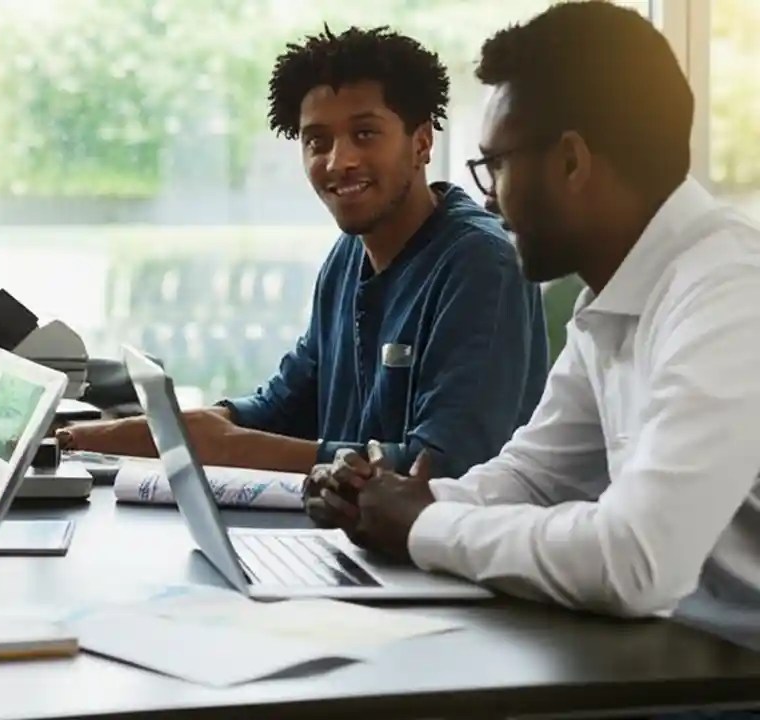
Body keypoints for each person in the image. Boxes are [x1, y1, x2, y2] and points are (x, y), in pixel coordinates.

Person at [304, 1, 760, 644]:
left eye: (497, 164)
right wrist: (383, 500)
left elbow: (636, 560)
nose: (489, 197)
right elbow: (534, 478)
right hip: (681, 654)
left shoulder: (730, 292)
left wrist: (422, 525)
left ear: (571, 162)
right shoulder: (614, 298)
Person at [60, 26, 548, 479]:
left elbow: (444, 465)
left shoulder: (481, 262)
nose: (338, 161)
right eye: (317, 141)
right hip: (346, 533)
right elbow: (282, 409)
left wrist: (229, 446)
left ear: (421, 143)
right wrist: (74, 439)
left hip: (438, 544)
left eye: (364, 134)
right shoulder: (347, 255)